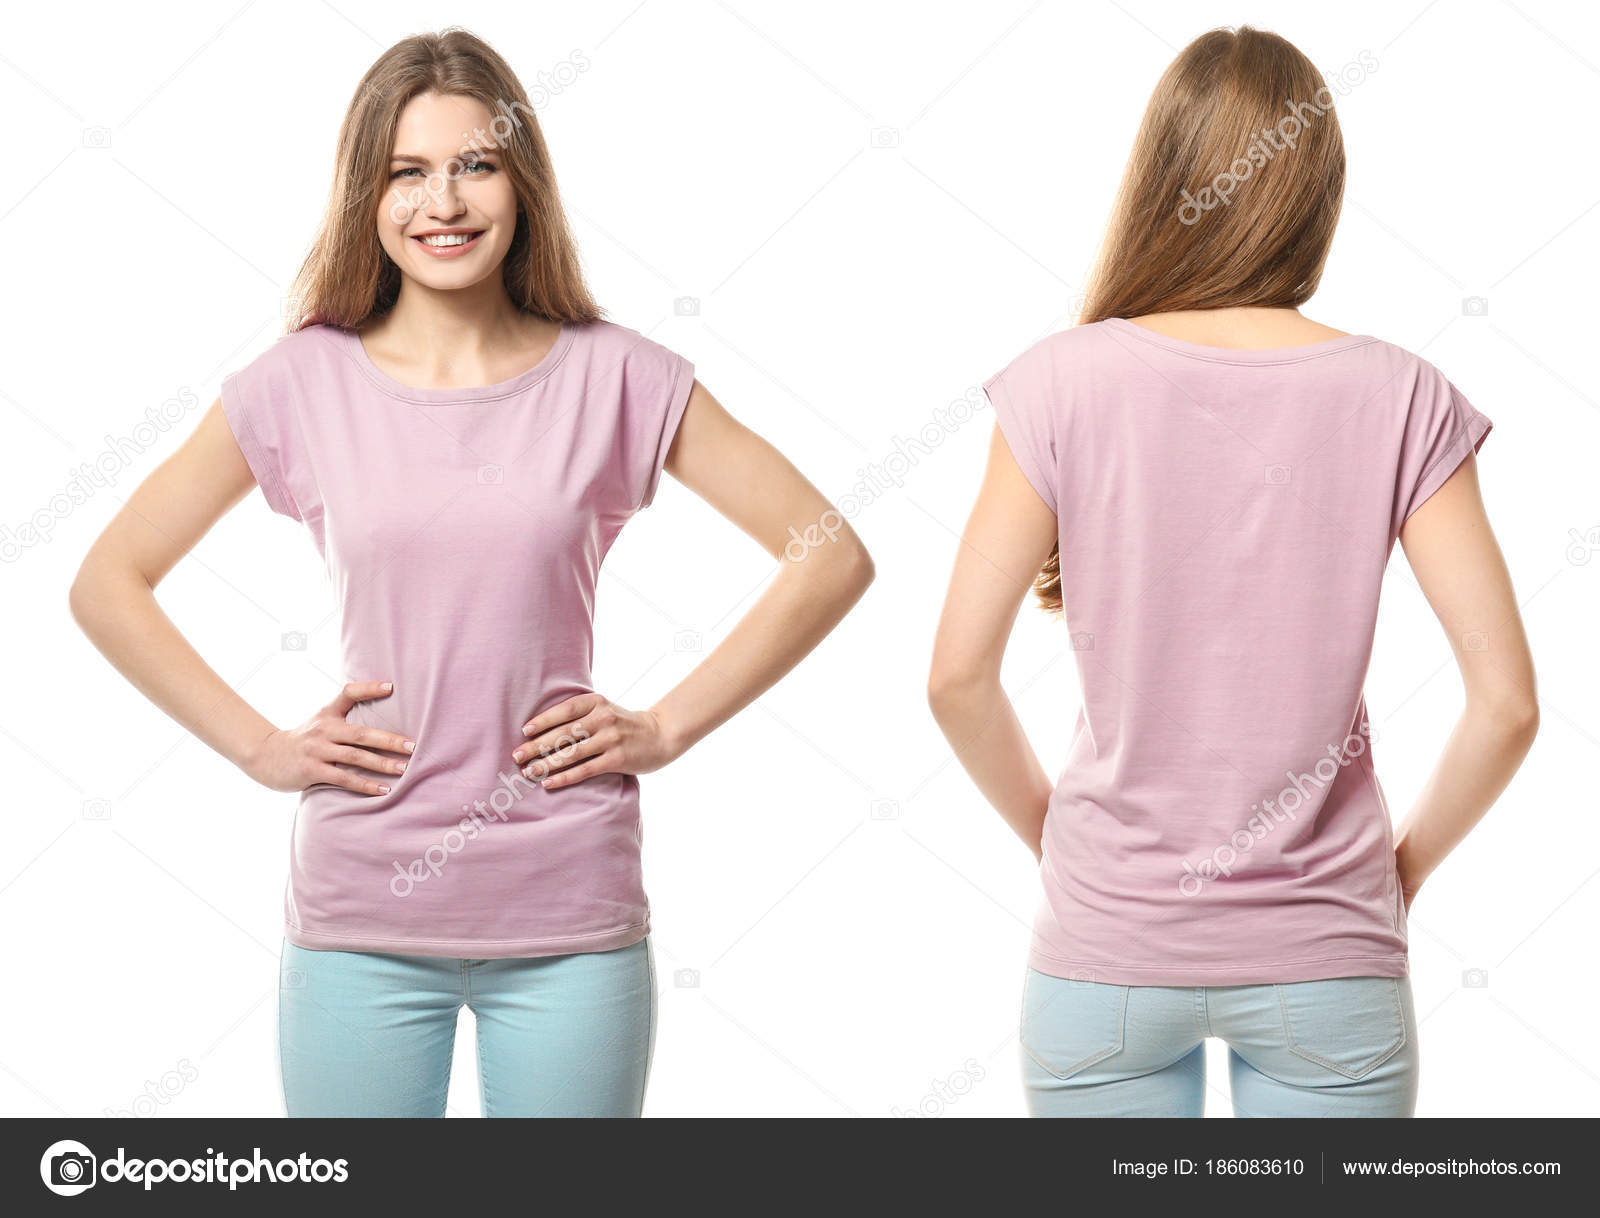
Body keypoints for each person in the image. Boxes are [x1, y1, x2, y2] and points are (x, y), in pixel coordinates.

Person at [69, 28, 873, 1118]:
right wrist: (261, 747)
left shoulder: (618, 376)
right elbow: (108, 580)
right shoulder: (299, 381)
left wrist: (668, 725)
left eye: (475, 164)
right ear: (366, 193)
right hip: (360, 917)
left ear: (521, 181)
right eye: (407, 171)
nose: (441, 202)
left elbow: (828, 553)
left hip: (568, 913)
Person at [927, 26, 1538, 1117]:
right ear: (1318, 194)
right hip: (1329, 961)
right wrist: (1393, 876)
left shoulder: (1056, 383)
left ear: (1158, 178)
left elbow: (955, 679)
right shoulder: (1401, 393)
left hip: (1105, 957)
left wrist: (1069, 854)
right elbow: (1507, 705)